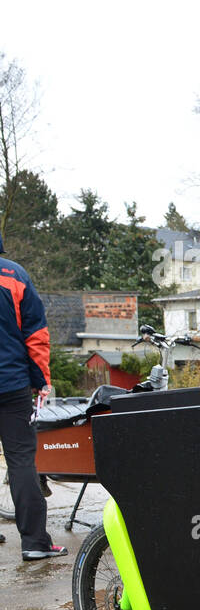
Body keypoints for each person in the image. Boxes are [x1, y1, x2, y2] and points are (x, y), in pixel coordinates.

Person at [0, 234, 69, 560]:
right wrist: (41, 380)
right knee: (21, 463)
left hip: (10, 383)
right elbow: (36, 335)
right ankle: (34, 543)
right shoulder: (15, 276)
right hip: (11, 387)